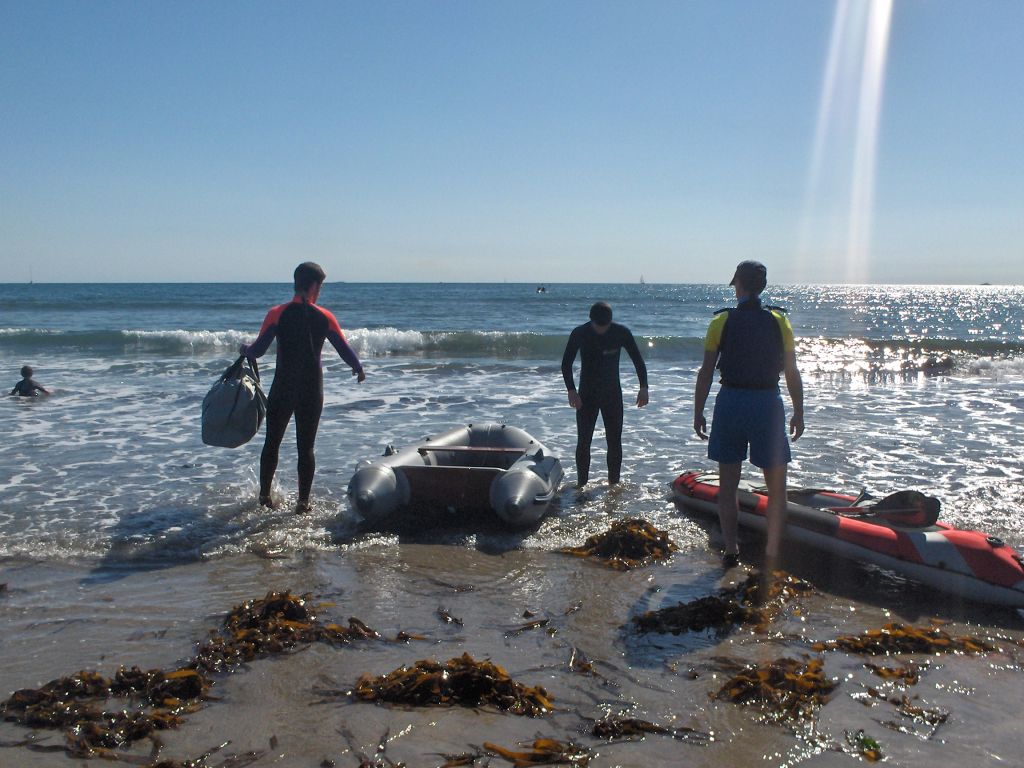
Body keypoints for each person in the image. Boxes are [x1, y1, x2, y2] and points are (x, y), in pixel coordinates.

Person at [693, 260, 804, 570]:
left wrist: (698, 411)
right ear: (763, 287)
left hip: (730, 402)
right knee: (776, 489)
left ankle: (731, 549)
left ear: (737, 286)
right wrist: (799, 411)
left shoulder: (721, 323)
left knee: (728, 486)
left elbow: (705, 373)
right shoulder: (780, 321)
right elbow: (792, 372)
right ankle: (771, 552)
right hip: (767, 404)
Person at [241, 262, 365, 513]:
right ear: (314, 286)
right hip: (311, 389)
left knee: (272, 443)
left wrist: (244, 349)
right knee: (306, 448)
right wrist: (358, 367)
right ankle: (303, 503)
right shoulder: (325, 317)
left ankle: (265, 499)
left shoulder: (277, 313)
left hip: (283, 387)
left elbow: (258, 351)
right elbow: (344, 349)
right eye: (320, 286)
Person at [561, 301, 649, 487]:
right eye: (598, 326)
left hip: (612, 394)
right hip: (586, 395)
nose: (602, 330)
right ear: (591, 320)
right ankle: (581, 484)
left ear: (611, 321)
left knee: (614, 440)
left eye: (605, 326)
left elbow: (638, 360)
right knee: (584, 441)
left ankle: (613, 485)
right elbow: (566, 363)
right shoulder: (580, 333)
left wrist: (643, 387)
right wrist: (571, 390)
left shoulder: (621, 332)